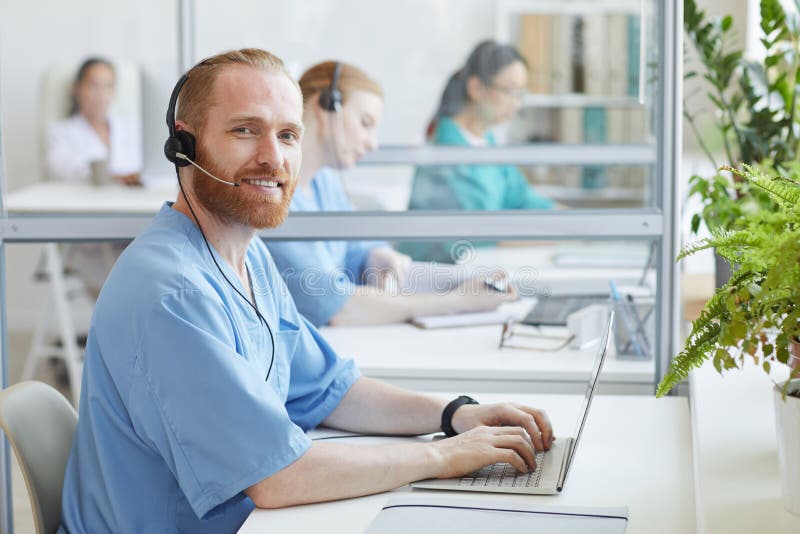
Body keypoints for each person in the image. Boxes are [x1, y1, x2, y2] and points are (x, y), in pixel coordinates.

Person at [60, 48, 554, 533]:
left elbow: (329, 390)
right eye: (244, 130)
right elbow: (276, 476)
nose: (273, 158)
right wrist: (440, 456)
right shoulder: (171, 293)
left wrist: (455, 414)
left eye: (288, 135)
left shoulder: (248, 257)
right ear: (184, 146)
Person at [267, 61, 515, 326]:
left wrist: (376, 255)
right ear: (326, 105)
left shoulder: (324, 183)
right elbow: (338, 307)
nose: (372, 143)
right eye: (365, 123)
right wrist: (459, 301)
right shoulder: (272, 197)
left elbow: (358, 249)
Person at [400, 40, 554, 262]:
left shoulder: (487, 143)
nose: (517, 104)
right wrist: (566, 235)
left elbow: (522, 199)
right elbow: (479, 236)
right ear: (477, 89)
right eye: (511, 92)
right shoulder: (444, 152)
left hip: (473, 271)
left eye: (521, 94)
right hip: (434, 277)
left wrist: (577, 220)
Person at [45, 57, 142, 294]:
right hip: (92, 232)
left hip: (132, 222)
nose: (101, 94)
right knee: (122, 284)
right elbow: (61, 169)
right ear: (76, 89)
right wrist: (113, 175)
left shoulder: (131, 127)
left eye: (108, 86)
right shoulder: (62, 133)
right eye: (93, 85)